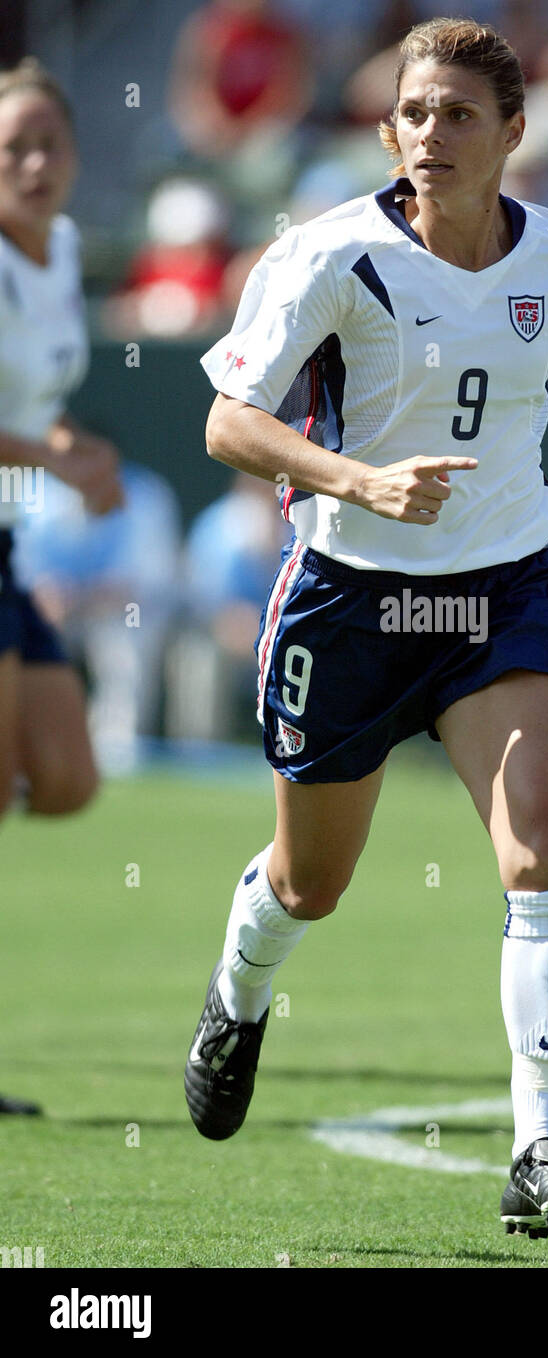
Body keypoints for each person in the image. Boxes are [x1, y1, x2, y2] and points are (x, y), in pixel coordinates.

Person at [186, 17, 548, 1241]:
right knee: (310, 883)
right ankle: (237, 1000)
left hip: (504, 590)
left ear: (513, 133)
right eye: (413, 112)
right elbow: (230, 425)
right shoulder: (328, 256)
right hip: (351, 598)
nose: (429, 134)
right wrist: (355, 480)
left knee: (539, 847)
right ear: (386, 125)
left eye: (458, 114)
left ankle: (538, 1144)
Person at [0, 57, 124, 1113]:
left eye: (51, 144)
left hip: (5, 548)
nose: (35, 164)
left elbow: (39, 410)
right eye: (13, 148)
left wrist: (80, 449)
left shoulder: (66, 248)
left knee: (66, 775)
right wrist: (58, 461)